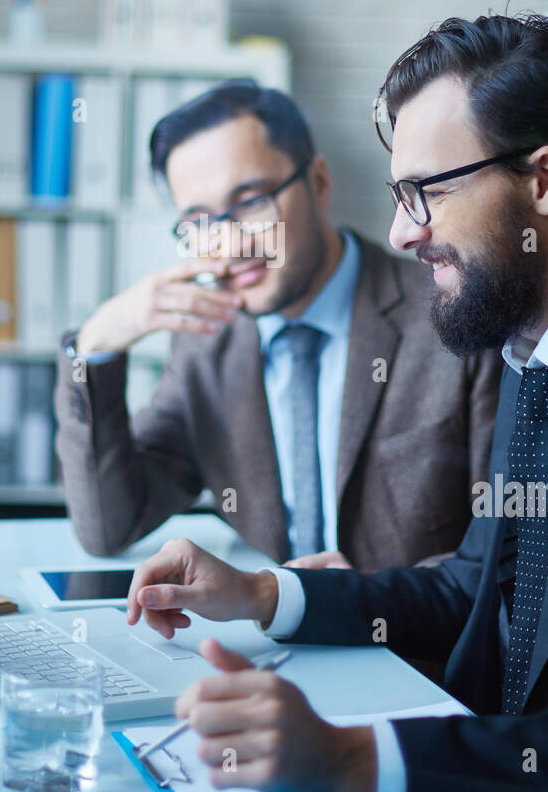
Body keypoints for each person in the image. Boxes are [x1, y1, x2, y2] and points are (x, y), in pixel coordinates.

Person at [124, 15, 548, 792]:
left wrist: (354, 761)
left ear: (544, 181)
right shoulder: (534, 350)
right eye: (398, 197)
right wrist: (264, 594)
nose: (405, 232)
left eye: (430, 192)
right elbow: (469, 587)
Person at [54, 80, 501, 572]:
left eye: (250, 204)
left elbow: (501, 555)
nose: (229, 245)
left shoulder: (453, 316)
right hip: (267, 641)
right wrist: (96, 345)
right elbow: (108, 526)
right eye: (199, 221)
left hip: (412, 645)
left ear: (320, 183)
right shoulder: (208, 342)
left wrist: (360, 602)